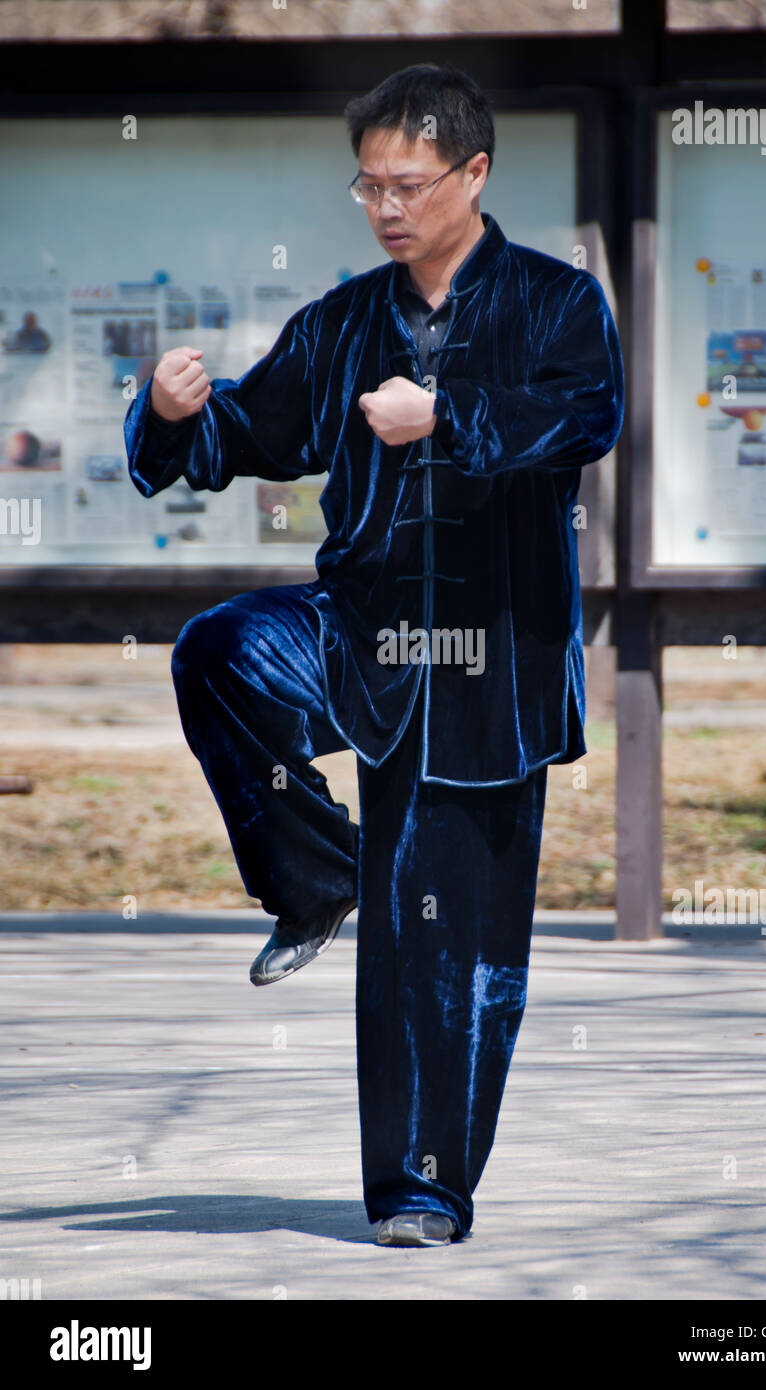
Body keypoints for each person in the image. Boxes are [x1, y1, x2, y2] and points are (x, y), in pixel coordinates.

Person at [123, 63, 624, 1249]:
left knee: (450, 944)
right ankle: (315, 877)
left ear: (472, 174)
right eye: (368, 186)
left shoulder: (556, 304)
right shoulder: (344, 321)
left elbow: (585, 416)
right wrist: (179, 414)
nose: (386, 206)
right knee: (220, 651)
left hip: (489, 667)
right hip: (359, 632)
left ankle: (422, 1188)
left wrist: (448, 418)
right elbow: (260, 428)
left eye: (408, 183)